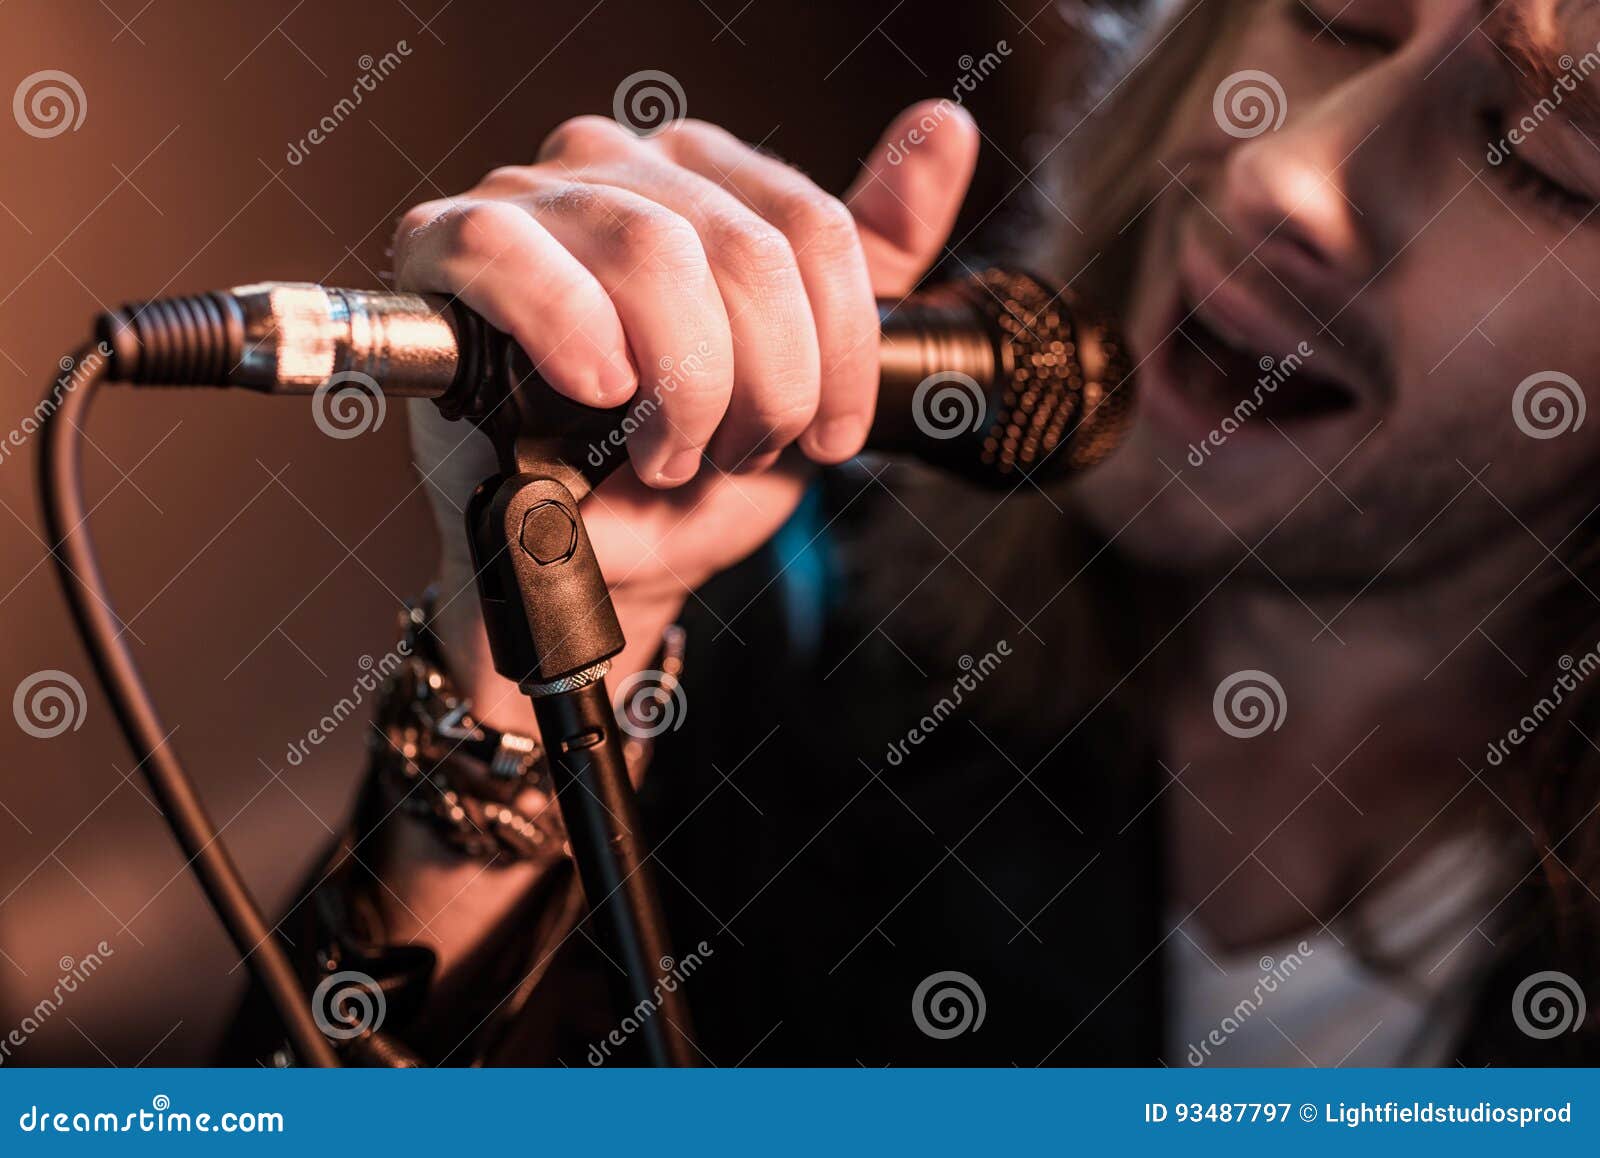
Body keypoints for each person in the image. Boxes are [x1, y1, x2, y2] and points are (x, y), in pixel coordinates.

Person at [232, 0, 1600, 1066]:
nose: (1284, 175)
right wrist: (514, 691)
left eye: (1540, 153)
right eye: (1330, 15)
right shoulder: (790, 614)